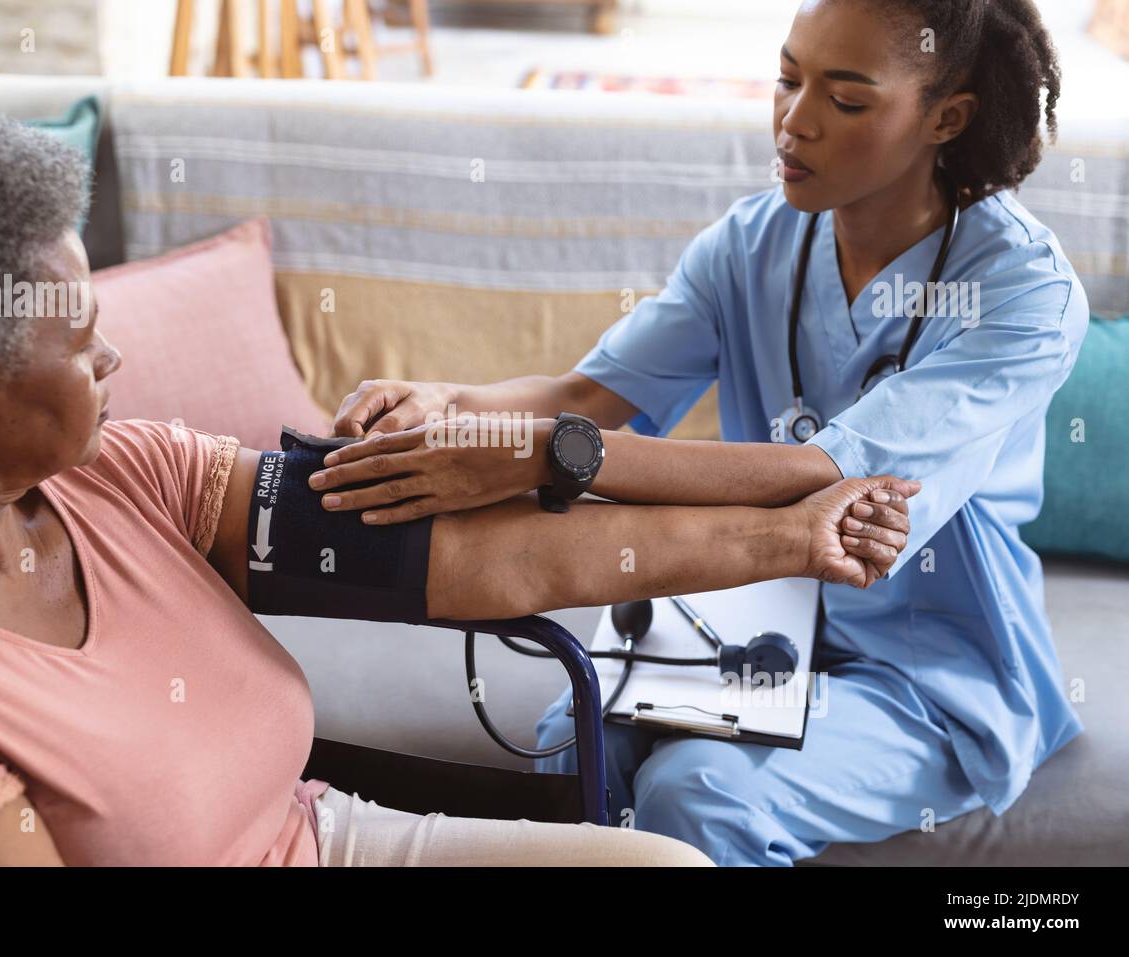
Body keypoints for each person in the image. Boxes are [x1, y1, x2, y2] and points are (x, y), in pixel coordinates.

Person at [0, 113, 912, 867]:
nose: (113, 356)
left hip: (327, 839)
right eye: (80, 341)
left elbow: (479, 557)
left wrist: (790, 538)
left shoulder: (118, 469)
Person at [317, 0, 1089, 865]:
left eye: (846, 99)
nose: (794, 122)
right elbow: (589, 391)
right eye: (788, 79)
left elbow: (826, 475)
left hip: (926, 679)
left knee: (697, 792)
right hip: (733, 621)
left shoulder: (1027, 297)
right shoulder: (754, 241)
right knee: (577, 744)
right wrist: (451, 404)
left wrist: (553, 452)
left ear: (947, 117)